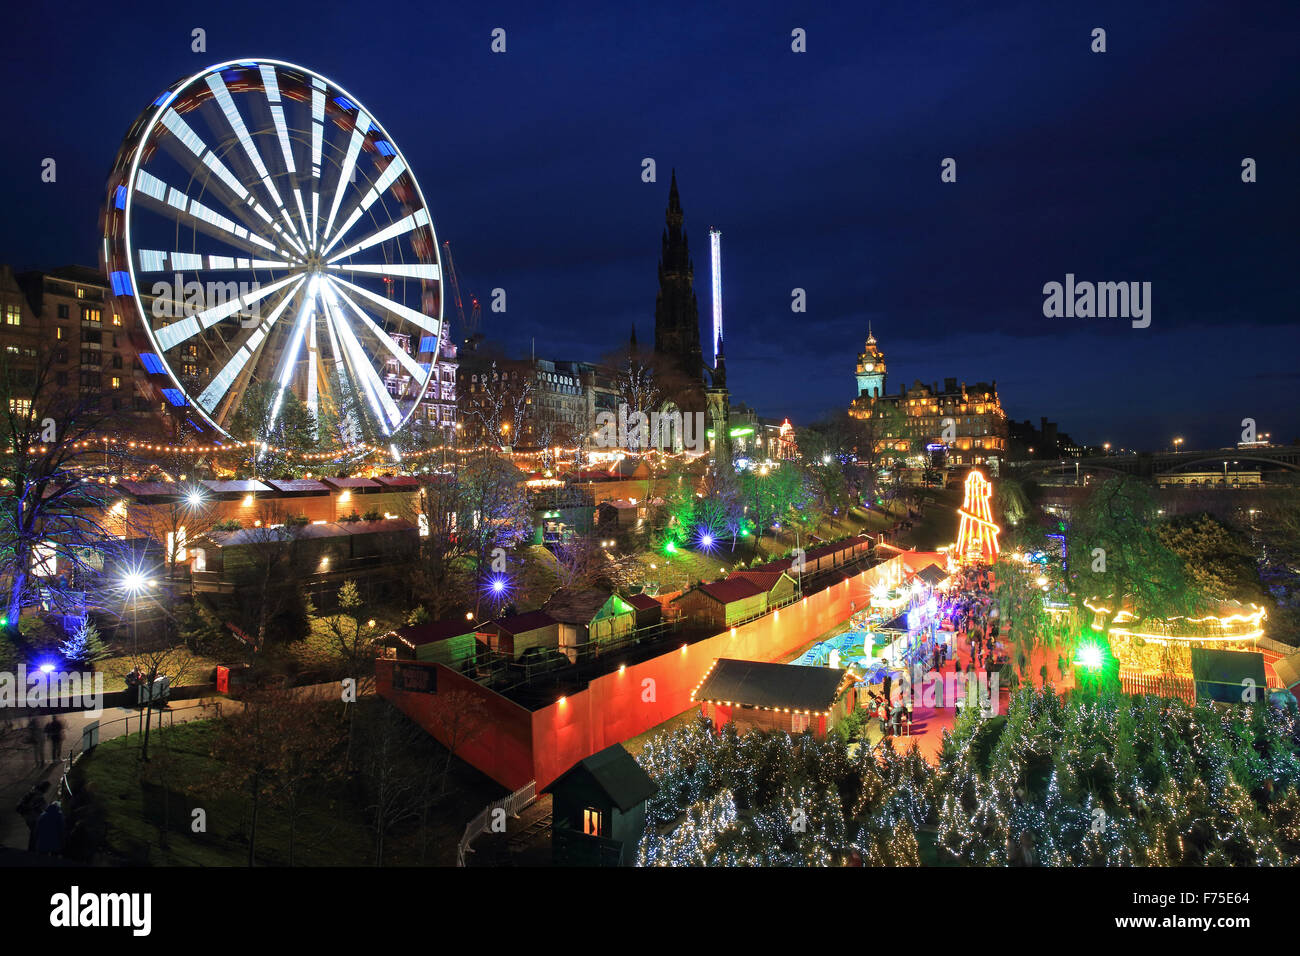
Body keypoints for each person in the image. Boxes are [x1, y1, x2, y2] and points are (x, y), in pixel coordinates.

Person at [16, 780, 50, 852]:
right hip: (32, 817)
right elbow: (44, 808)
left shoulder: (32, 792)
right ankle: (32, 850)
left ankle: (31, 849)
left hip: (27, 816)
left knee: (33, 832)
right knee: (35, 833)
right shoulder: (39, 797)